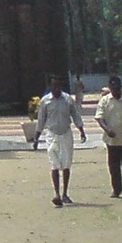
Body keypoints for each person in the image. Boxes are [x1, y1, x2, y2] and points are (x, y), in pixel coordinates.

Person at [33, 76, 86, 206]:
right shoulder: (45, 101)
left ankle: (65, 194)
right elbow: (41, 120)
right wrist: (36, 138)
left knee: (66, 164)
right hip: (51, 134)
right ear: (50, 87)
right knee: (54, 164)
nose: (56, 88)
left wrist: (82, 131)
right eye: (54, 86)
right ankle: (56, 194)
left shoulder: (68, 99)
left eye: (58, 86)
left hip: (66, 133)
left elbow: (75, 115)